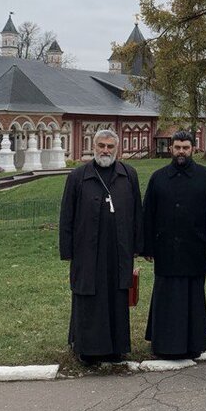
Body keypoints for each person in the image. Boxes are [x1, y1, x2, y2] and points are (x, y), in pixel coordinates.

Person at [59, 129, 143, 364]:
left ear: (117, 149)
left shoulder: (128, 174)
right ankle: (87, 349)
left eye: (110, 147)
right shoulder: (78, 176)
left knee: (117, 296)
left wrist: (138, 245)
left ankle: (117, 348)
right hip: (87, 249)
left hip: (119, 249)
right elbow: (67, 214)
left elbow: (137, 211)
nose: (105, 151)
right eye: (101, 146)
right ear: (93, 147)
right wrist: (67, 250)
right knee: (89, 295)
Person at [141, 130, 206, 359]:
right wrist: (147, 246)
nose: (181, 152)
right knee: (166, 295)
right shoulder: (158, 177)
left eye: (186, 148)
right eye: (177, 147)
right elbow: (148, 213)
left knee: (193, 296)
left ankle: (193, 344)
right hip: (165, 248)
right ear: (171, 149)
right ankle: (163, 344)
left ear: (193, 149)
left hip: (194, 247)